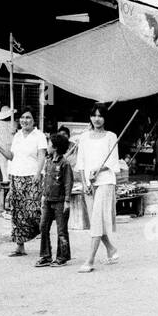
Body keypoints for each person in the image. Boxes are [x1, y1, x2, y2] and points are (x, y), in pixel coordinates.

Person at [0, 110, 46, 255]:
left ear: (34, 120)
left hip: (32, 176)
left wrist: (38, 174)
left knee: (33, 211)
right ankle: (20, 246)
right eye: (22, 117)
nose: (25, 120)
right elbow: (11, 156)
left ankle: (44, 238)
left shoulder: (39, 136)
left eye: (28, 117)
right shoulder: (17, 136)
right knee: (17, 212)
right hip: (16, 176)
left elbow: (42, 156)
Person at [76, 107, 121, 272]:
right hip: (88, 184)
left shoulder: (111, 137)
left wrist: (98, 170)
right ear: (90, 117)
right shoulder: (84, 137)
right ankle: (111, 249)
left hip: (105, 181)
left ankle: (90, 260)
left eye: (100, 116)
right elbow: (80, 163)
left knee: (96, 220)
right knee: (96, 221)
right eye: (94, 115)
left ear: (105, 119)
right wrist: (85, 183)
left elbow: (113, 163)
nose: (97, 119)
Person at [36, 132, 74, 267]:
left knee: (61, 230)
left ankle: (62, 257)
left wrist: (67, 202)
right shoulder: (48, 161)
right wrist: (42, 197)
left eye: (49, 144)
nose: (47, 146)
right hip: (47, 200)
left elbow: (68, 183)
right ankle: (45, 256)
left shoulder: (65, 164)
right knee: (43, 226)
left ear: (56, 147)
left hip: (60, 201)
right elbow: (45, 180)